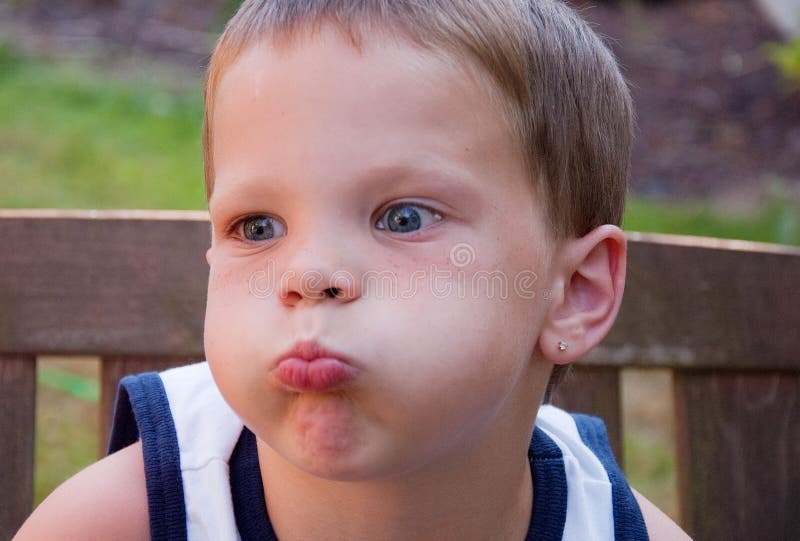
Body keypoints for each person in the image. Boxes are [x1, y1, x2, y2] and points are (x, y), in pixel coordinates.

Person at [16, 1, 690, 539]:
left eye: (402, 218)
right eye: (258, 227)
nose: (310, 275)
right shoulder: (124, 521)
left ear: (573, 291)